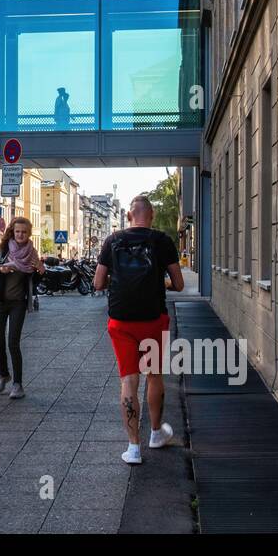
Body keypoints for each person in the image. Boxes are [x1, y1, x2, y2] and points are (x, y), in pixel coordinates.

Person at [94, 194, 184, 466]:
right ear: (152, 215)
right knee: (154, 375)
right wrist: (159, 284)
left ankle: (133, 448)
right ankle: (156, 434)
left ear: (130, 215)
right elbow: (178, 284)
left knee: (128, 380)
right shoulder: (162, 241)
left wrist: (120, 282)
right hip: (153, 319)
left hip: (121, 320)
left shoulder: (113, 241)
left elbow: (98, 283)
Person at [0, 216, 45, 399]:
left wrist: (41, 272)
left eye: (24, 232)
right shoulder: (4, 250)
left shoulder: (32, 254)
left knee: (13, 342)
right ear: (13, 231)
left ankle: (18, 384)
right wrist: (0, 270)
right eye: (17, 231)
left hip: (18, 303)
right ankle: (4, 375)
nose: (20, 234)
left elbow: (33, 282)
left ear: (29, 234)